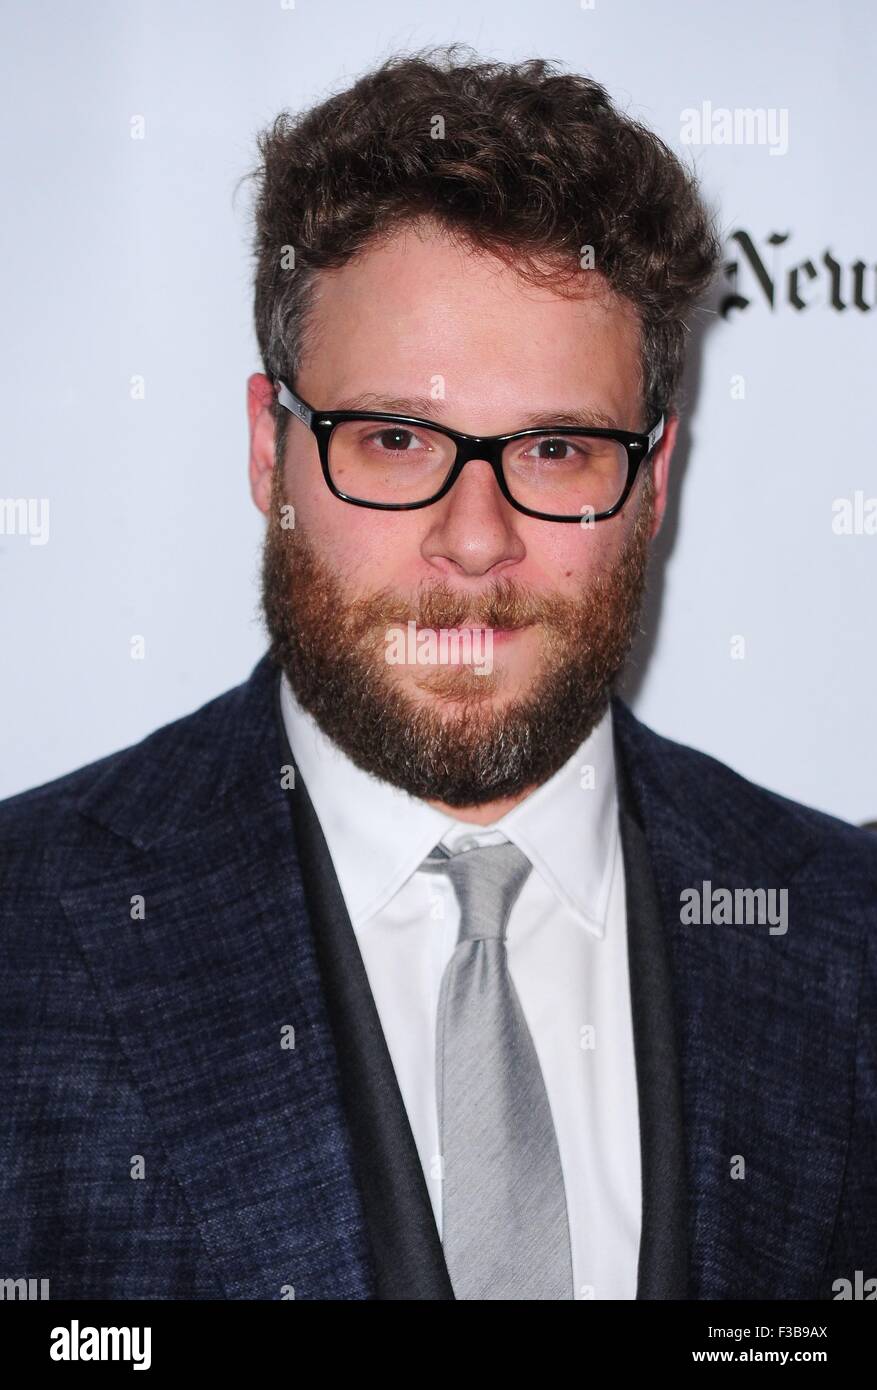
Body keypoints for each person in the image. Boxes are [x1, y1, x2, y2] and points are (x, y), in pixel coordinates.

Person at [1, 47, 874, 1302]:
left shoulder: (848, 929)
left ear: (654, 482)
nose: (475, 540)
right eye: (397, 438)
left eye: (559, 447)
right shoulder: (25, 939)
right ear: (270, 447)